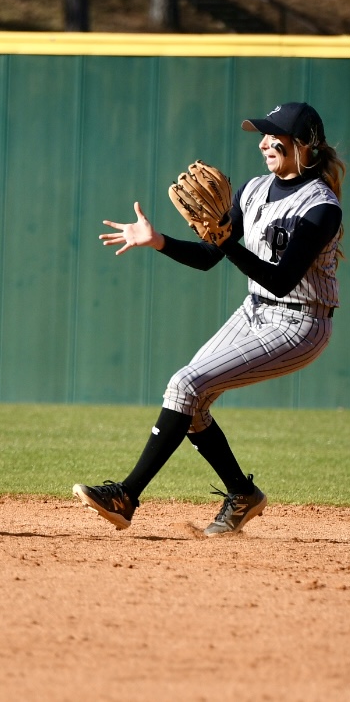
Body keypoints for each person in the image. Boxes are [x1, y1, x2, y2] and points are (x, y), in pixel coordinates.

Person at [74, 101, 344, 535]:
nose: (263, 143)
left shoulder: (322, 207)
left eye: (274, 136)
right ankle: (242, 495)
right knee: (191, 399)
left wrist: (226, 240)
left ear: (304, 145)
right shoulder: (254, 189)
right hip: (255, 310)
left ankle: (126, 495)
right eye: (262, 134)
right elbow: (207, 257)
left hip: (300, 323)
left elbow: (281, 279)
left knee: (185, 384)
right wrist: (158, 240)